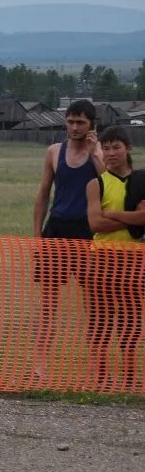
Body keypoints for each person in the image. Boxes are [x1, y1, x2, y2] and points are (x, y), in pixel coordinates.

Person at [31, 100, 103, 380]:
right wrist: (37, 235)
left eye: (81, 122)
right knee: (48, 304)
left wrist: (96, 152)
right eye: (71, 121)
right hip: (56, 231)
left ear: (91, 124)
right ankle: (40, 364)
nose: (75, 127)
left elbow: (110, 184)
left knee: (94, 303)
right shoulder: (54, 152)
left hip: (89, 232)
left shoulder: (99, 153)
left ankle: (96, 367)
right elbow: (43, 194)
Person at [83, 126, 145, 391]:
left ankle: (130, 377)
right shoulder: (95, 184)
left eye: (116, 147)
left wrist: (113, 215)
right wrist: (127, 218)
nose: (110, 153)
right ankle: (101, 378)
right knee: (100, 321)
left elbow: (143, 219)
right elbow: (95, 223)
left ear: (128, 149)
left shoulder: (141, 181)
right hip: (103, 260)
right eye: (106, 148)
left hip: (133, 260)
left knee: (131, 321)